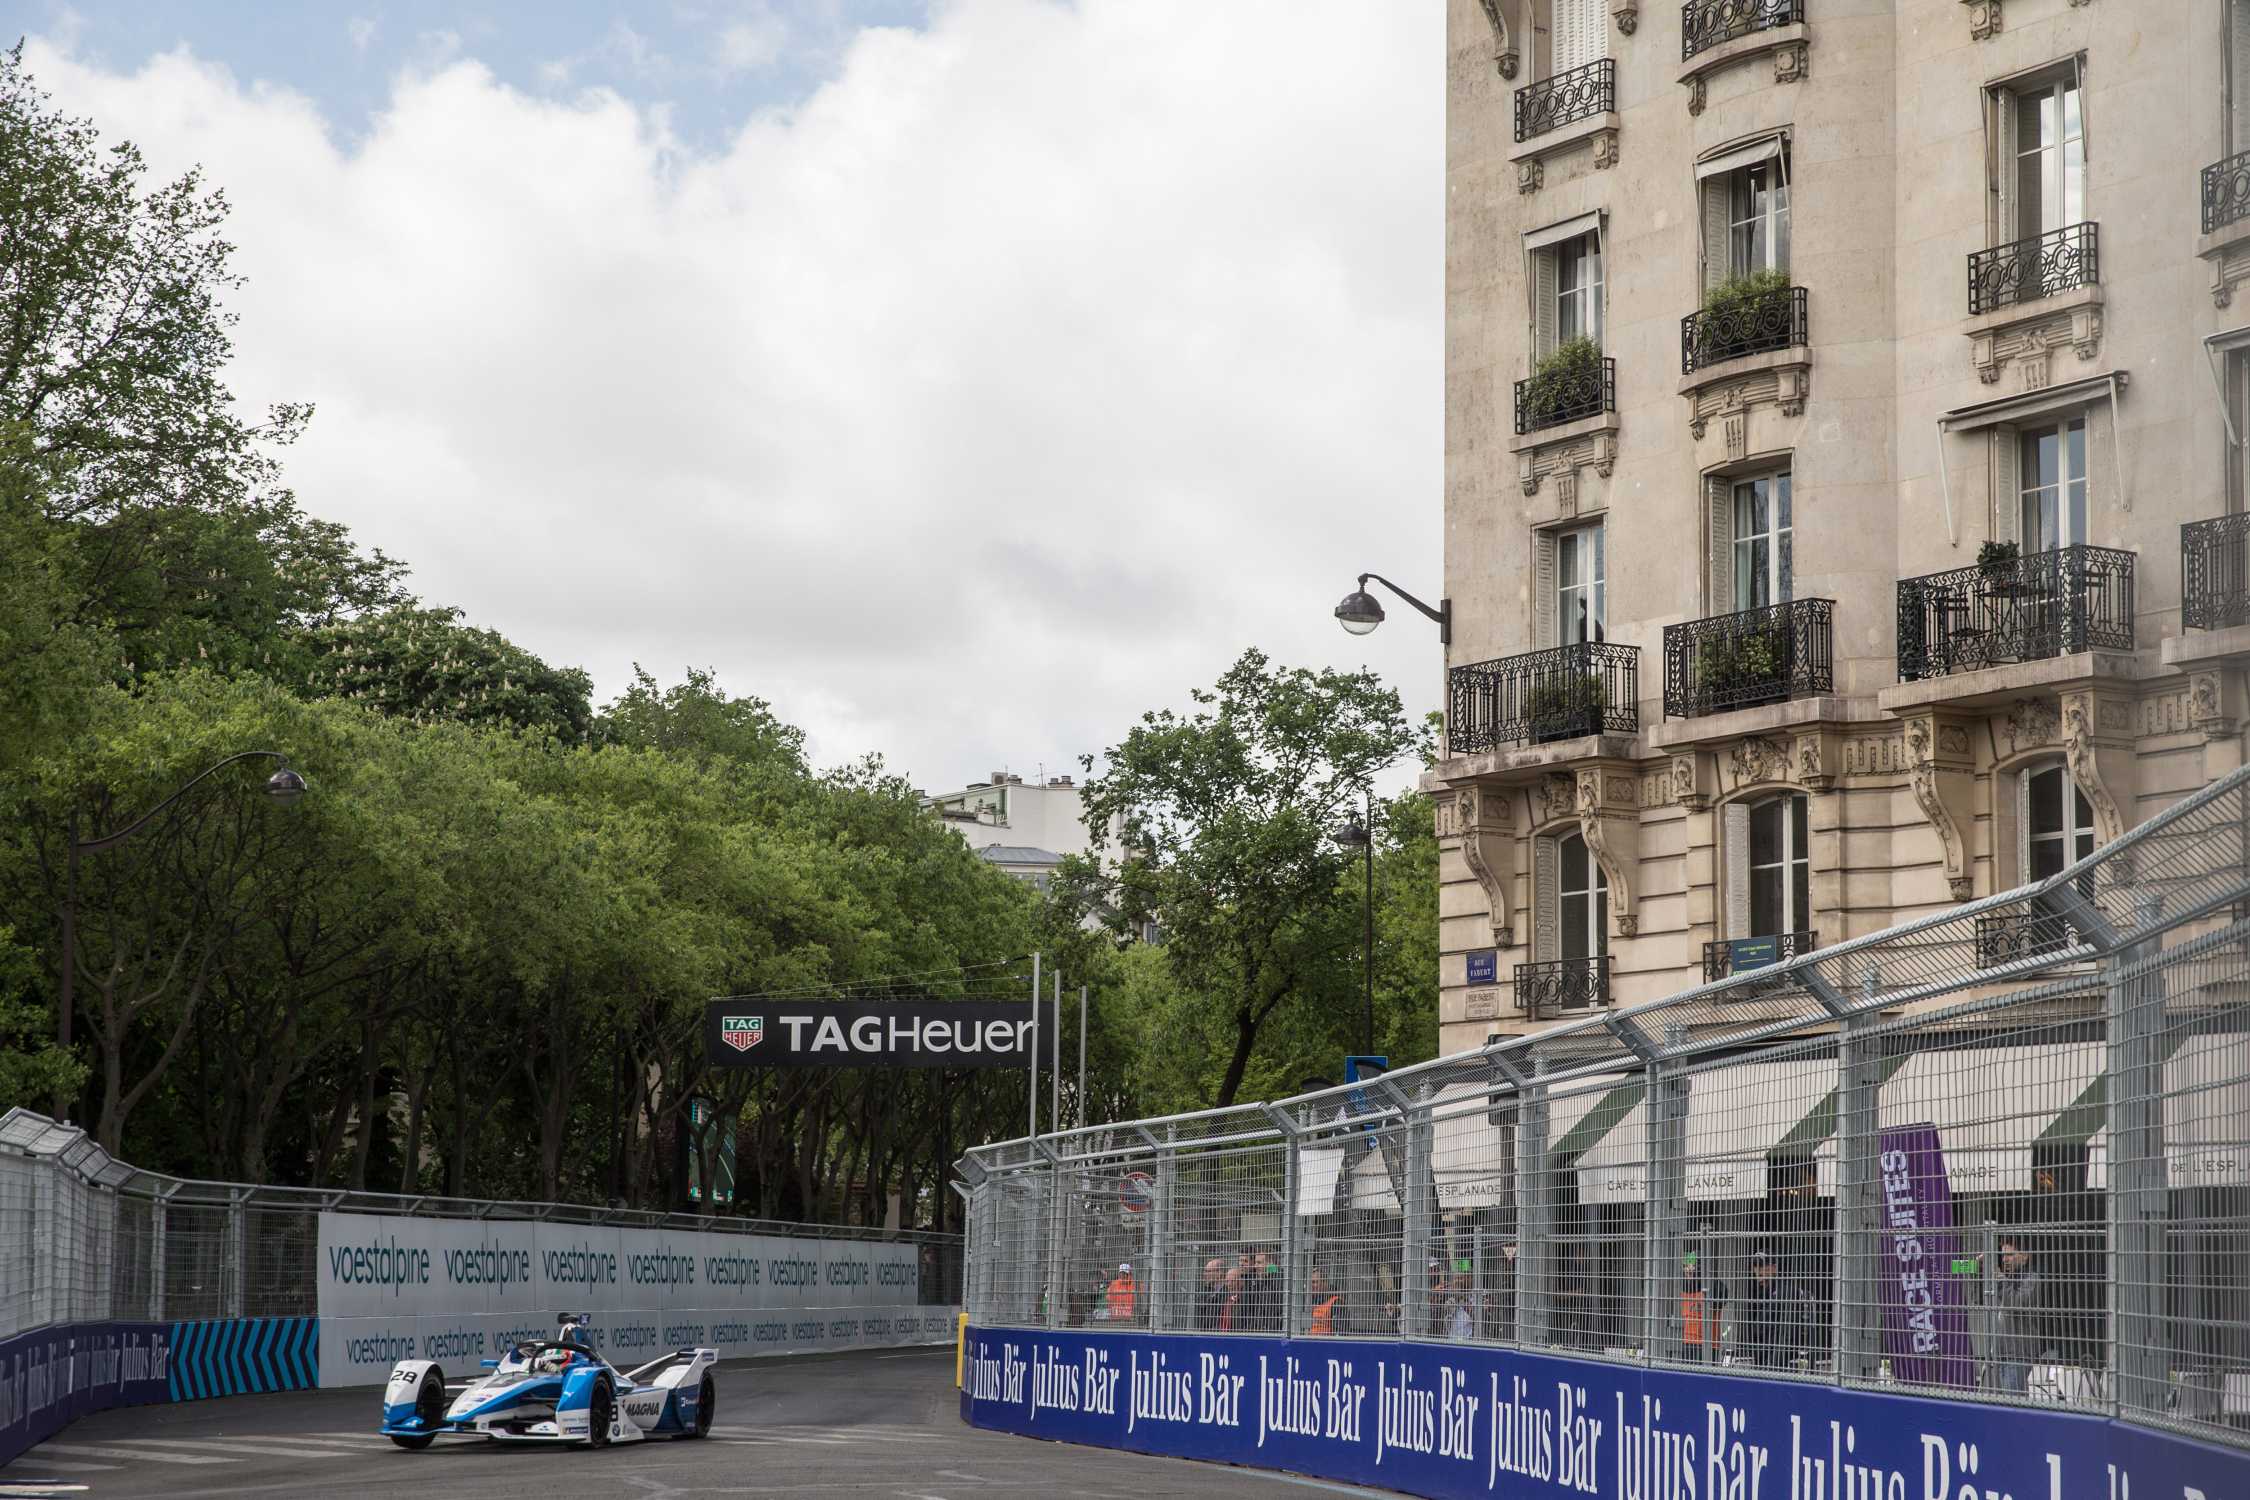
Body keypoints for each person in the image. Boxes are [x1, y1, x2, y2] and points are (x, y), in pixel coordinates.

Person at [1991, 1236, 2049, 1394]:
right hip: (1998, 1356)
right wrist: (1977, 1264)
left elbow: (2015, 1304)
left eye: (2009, 1255)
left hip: (2018, 1357)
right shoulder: (2005, 1279)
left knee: (2012, 1404)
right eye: (2003, 1255)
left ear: (2025, 1256)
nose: (2005, 1260)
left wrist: (1999, 1279)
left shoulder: (2032, 1279)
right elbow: (1954, 1268)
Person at [1739, 1250, 1805, 1369]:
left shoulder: (1785, 1292)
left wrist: (1773, 1364)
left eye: (1761, 1266)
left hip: (1779, 1363)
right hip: (1762, 1359)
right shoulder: (1760, 1292)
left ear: (1774, 1268)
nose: (1758, 1271)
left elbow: (1787, 1333)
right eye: (1755, 1266)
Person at [1680, 1260, 1728, 1362]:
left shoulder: (1713, 1286)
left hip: (1708, 1343)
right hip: (1688, 1341)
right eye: (1685, 1266)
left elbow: (1722, 1296)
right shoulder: (1685, 1286)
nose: (1688, 1269)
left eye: (1692, 1266)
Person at [1195, 1257, 1230, 1331]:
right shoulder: (1204, 1291)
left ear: (1219, 1273)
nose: (1204, 1274)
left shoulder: (1228, 1292)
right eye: (1205, 1271)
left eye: (1208, 1271)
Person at [1307, 1268, 1344, 1336]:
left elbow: (1340, 1332)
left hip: (1326, 1341)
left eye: (1317, 1282)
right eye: (1312, 1282)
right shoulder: (1309, 1301)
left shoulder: (1336, 1302)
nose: (1314, 1285)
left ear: (1325, 1283)